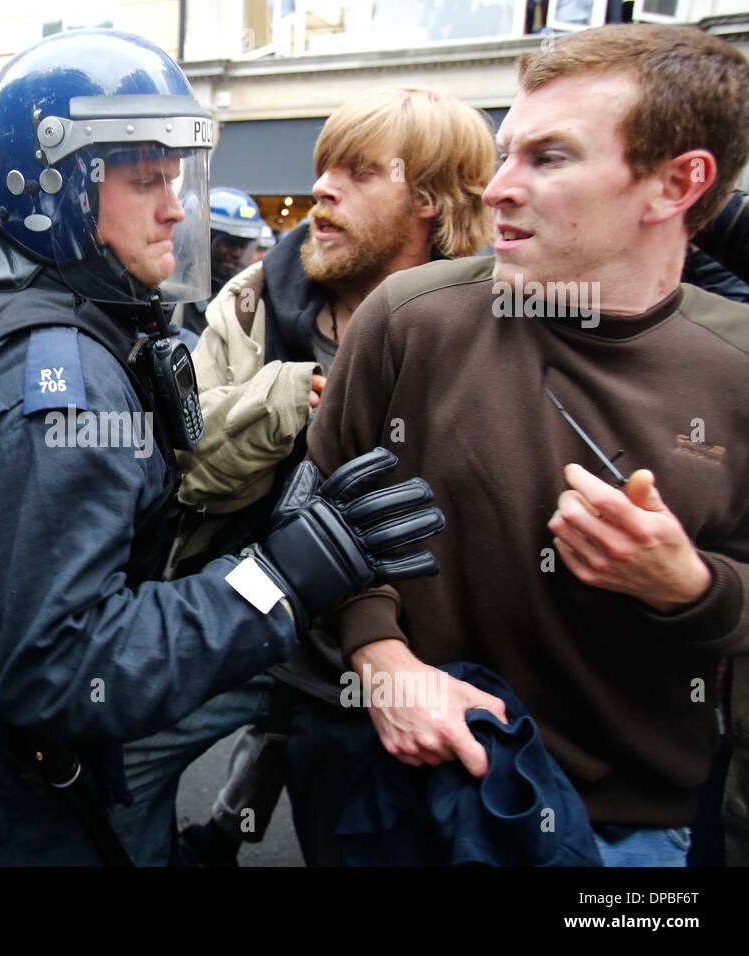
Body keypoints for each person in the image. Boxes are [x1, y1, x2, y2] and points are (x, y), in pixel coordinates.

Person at [0, 28, 447, 866]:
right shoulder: (56, 375)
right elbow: (59, 665)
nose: (176, 206)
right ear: (55, 192)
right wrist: (281, 578)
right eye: (145, 181)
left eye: (174, 178)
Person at [305, 23, 749, 867]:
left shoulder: (739, 368)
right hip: (414, 795)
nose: (499, 187)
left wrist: (690, 585)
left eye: (549, 158)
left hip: (632, 833)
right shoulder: (409, 318)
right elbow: (318, 515)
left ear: (676, 182)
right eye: (506, 151)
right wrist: (383, 657)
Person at [114, 85, 498, 866]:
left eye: (357, 171)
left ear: (430, 199)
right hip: (252, 618)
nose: (321, 187)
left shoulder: (499, 321)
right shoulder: (252, 301)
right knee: (119, 772)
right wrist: (285, 397)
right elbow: (185, 469)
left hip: (408, 664)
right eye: (324, 168)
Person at [177, 187, 269, 336]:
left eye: (244, 245)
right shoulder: (179, 288)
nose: (238, 252)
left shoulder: (247, 289)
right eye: (230, 243)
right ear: (205, 239)